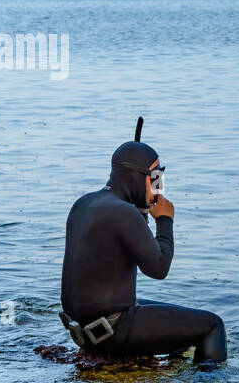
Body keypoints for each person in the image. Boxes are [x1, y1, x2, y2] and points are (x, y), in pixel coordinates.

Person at [59, 130, 226, 366]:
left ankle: (174, 363)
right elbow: (159, 267)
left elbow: (125, 245)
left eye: (162, 177)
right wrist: (165, 219)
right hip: (113, 332)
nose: (159, 187)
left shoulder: (85, 203)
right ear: (135, 177)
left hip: (85, 331)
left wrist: (144, 209)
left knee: (170, 313)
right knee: (212, 325)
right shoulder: (123, 212)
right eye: (156, 177)